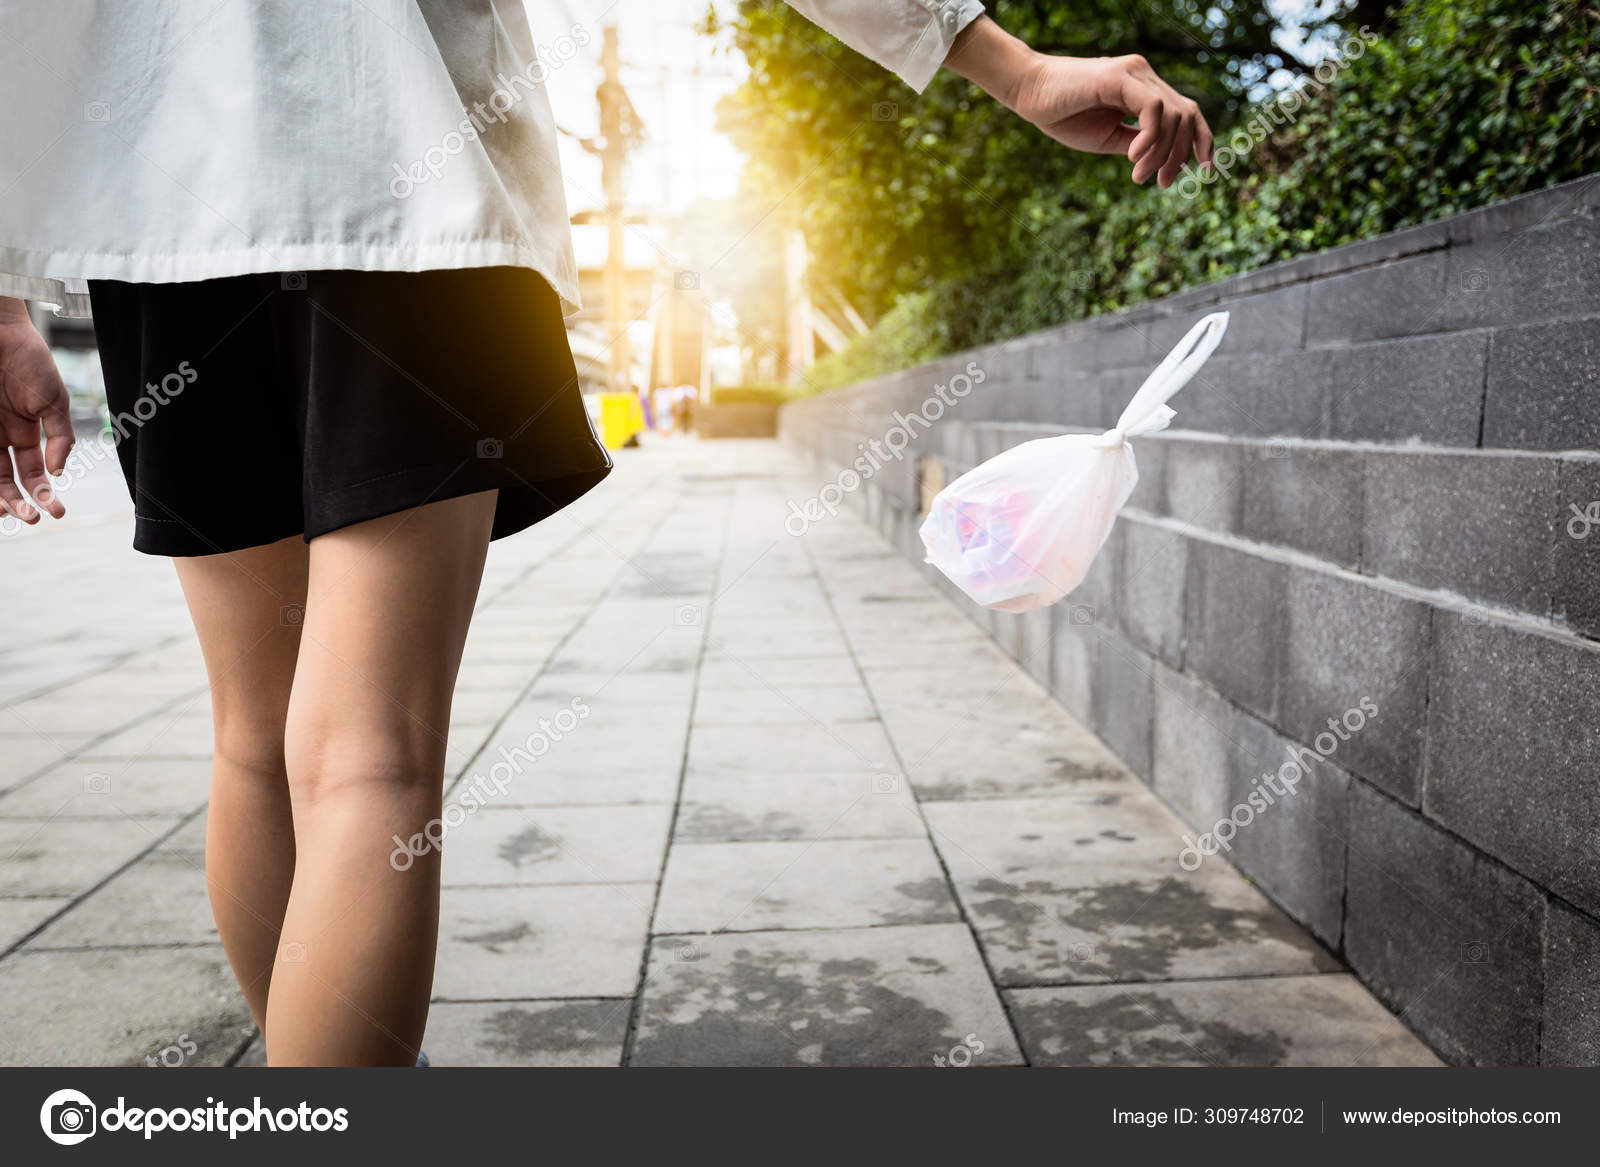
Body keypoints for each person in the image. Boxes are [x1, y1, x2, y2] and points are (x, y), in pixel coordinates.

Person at [0, 1, 1211, 1066]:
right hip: (407, 196)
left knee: (257, 745)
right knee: (365, 756)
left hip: (164, 224)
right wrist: (1008, 67)